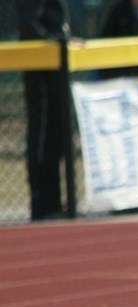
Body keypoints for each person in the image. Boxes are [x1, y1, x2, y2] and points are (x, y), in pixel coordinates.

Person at [17, 0, 70, 221]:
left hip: (58, 65)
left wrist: (63, 40)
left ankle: (55, 203)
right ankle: (43, 205)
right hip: (41, 69)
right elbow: (31, 26)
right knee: (43, 138)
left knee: (58, 137)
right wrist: (55, 41)